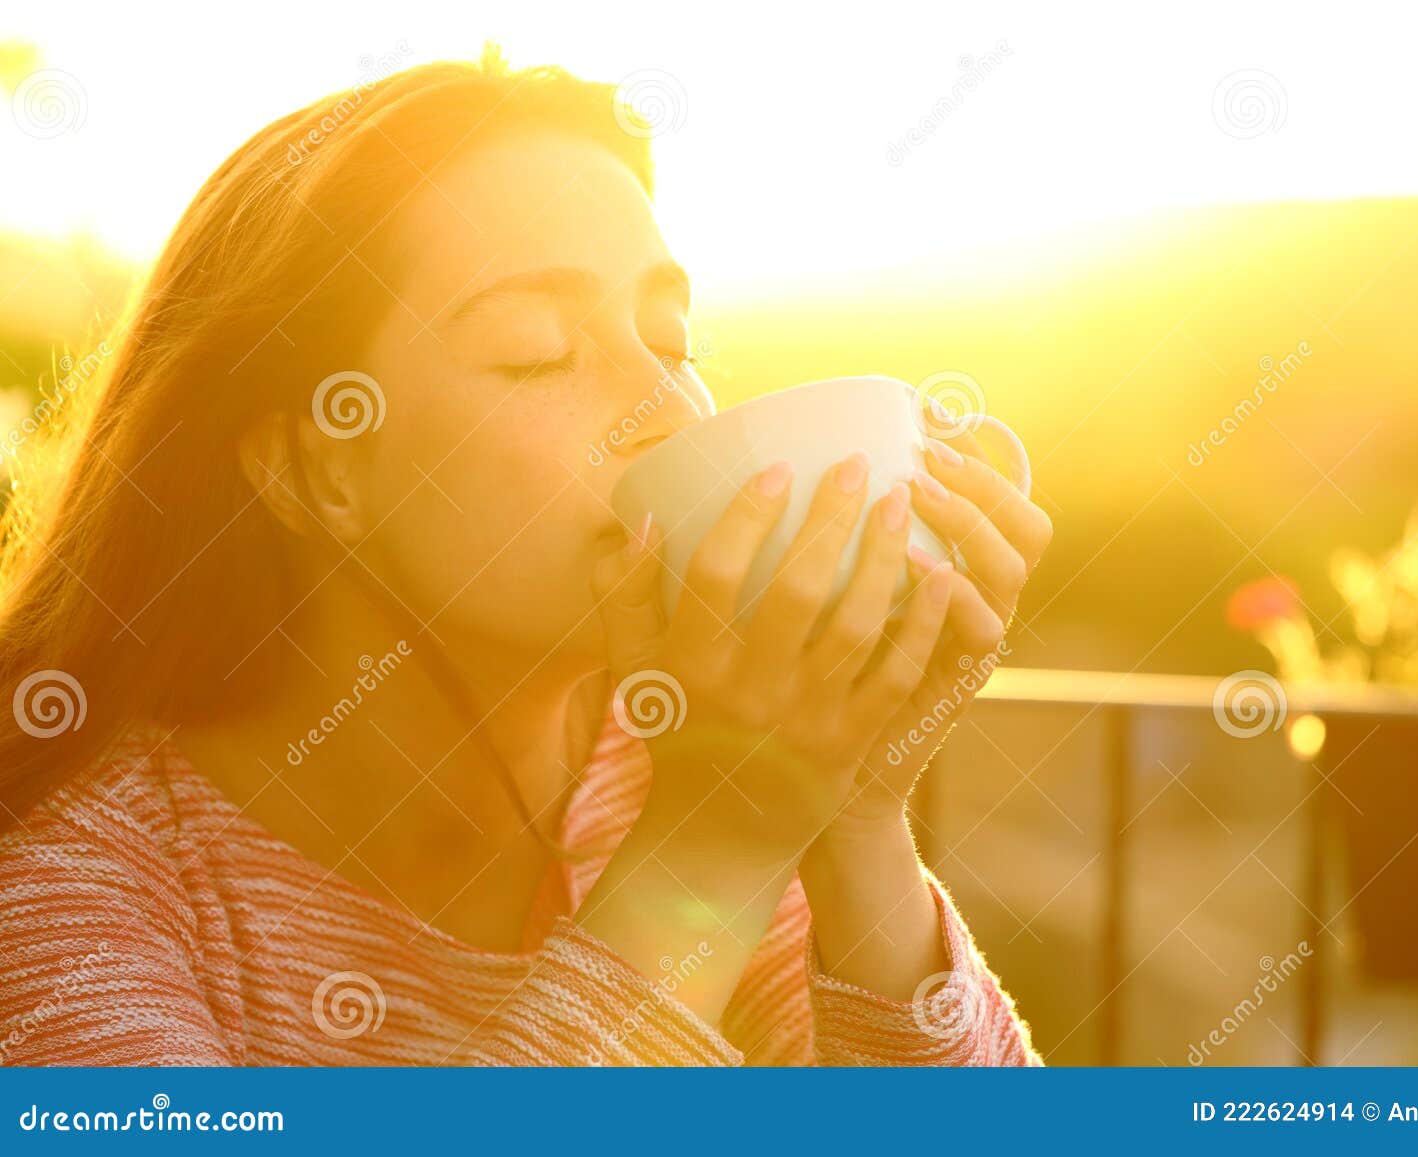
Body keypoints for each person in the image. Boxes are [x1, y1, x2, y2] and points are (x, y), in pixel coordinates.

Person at [0, 50, 1052, 1066]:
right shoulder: (63, 896)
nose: (666, 410)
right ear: (323, 470)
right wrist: (709, 842)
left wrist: (855, 813)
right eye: (537, 349)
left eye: (673, 342)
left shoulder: (696, 750)